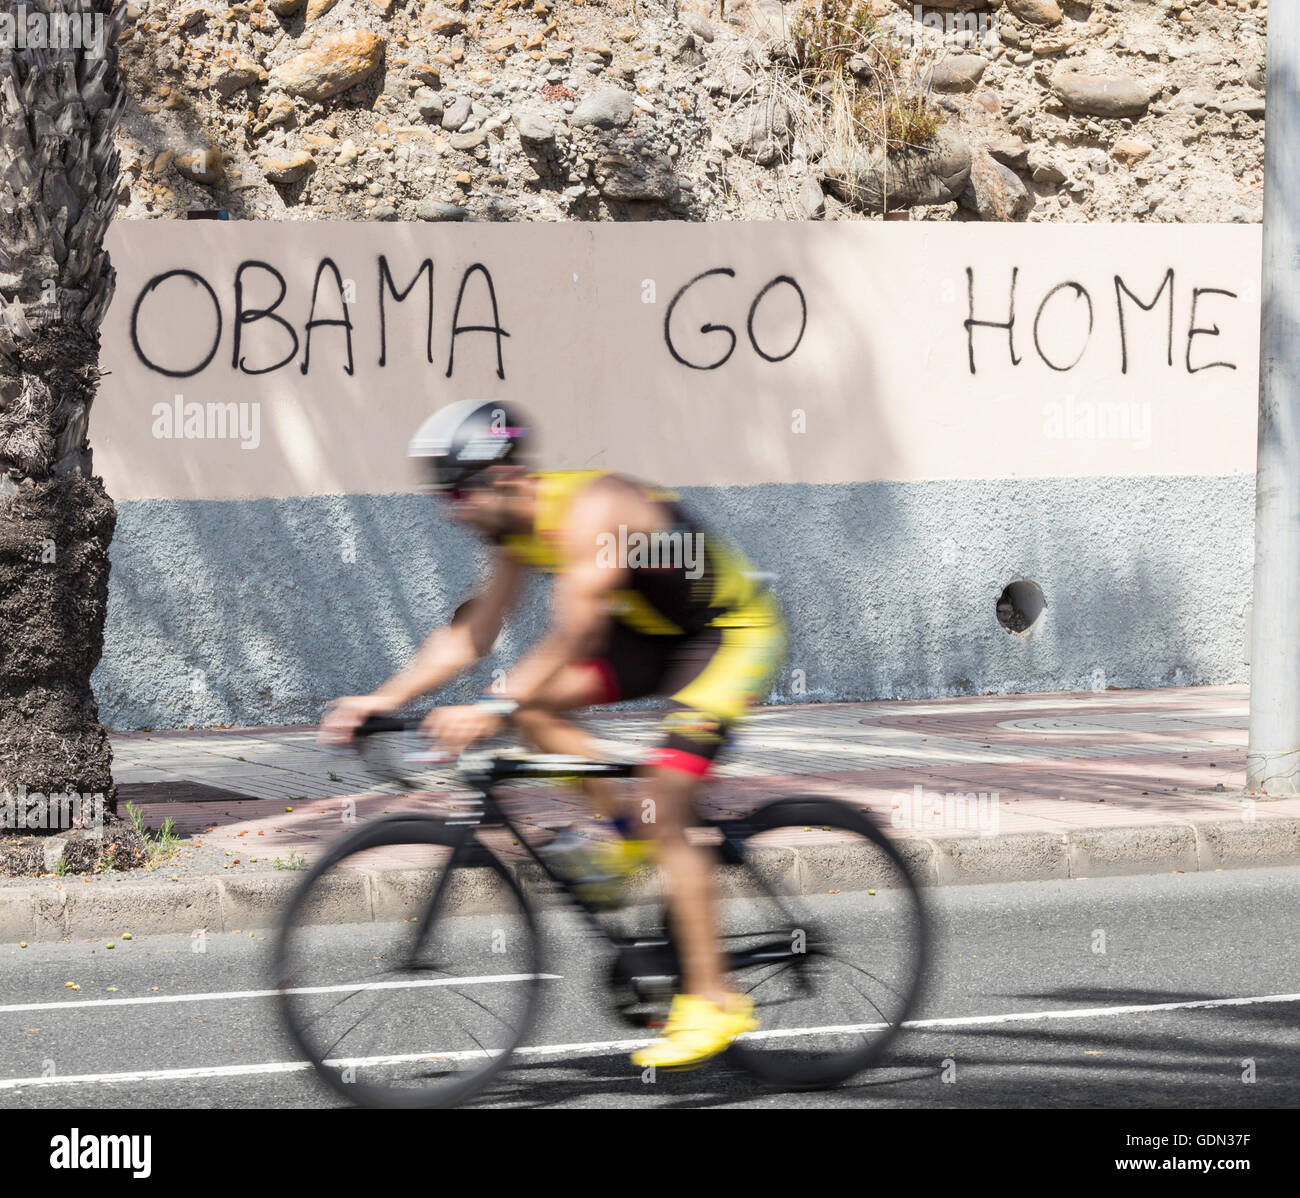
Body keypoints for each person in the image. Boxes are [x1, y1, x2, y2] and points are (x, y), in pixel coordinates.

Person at [320, 399, 787, 1070]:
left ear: (505, 476)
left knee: (663, 798)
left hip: (729, 634)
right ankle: (629, 839)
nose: (451, 509)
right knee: (536, 713)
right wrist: (380, 698)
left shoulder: (593, 509)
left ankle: (715, 1000)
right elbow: (472, 632)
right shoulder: (514, 534)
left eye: (459, 489)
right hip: (654, 637)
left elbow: (577, 629)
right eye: (443, 493)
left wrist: (491, 707)